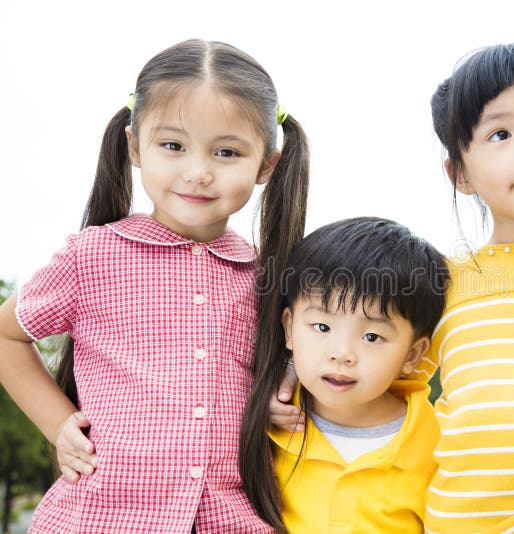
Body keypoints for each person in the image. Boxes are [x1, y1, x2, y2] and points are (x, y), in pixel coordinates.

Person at [272, 43, 514, 533]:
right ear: (460, 173)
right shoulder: (444, 283)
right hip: (460, 522)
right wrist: (285, 373)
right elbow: (378, 355)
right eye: (500, 133)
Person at [0, 39, 309, 533]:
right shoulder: (92, 255)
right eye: (173, 145)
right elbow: (6, 336)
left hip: (225, 517)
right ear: (133, 146)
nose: (198, 171)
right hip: (102, 515)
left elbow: (300, 355)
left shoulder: (269, 277)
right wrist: (57, 423)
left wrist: (284, 379)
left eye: (227, 152)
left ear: (266, 165)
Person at [239, 216, 448, 533]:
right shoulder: (267, 417)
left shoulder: (438, 441)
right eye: (322, 327)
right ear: (289, 329)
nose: (341, 354)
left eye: (372, 337)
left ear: (413, 354)